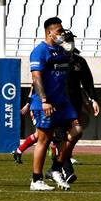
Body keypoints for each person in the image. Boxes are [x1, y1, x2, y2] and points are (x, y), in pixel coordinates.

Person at [26, 17, 77, 191]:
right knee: (44, 139)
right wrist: (44, 100)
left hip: (63, 102)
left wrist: (69, 48)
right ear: (49, 32)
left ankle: (55, 169)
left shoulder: (61, 51)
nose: (62, 34)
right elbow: (36, 77)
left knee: (76, 131)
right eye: (59, 31)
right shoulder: (40, 51)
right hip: (46, 103)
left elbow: (69, 63)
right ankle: (36, 179)